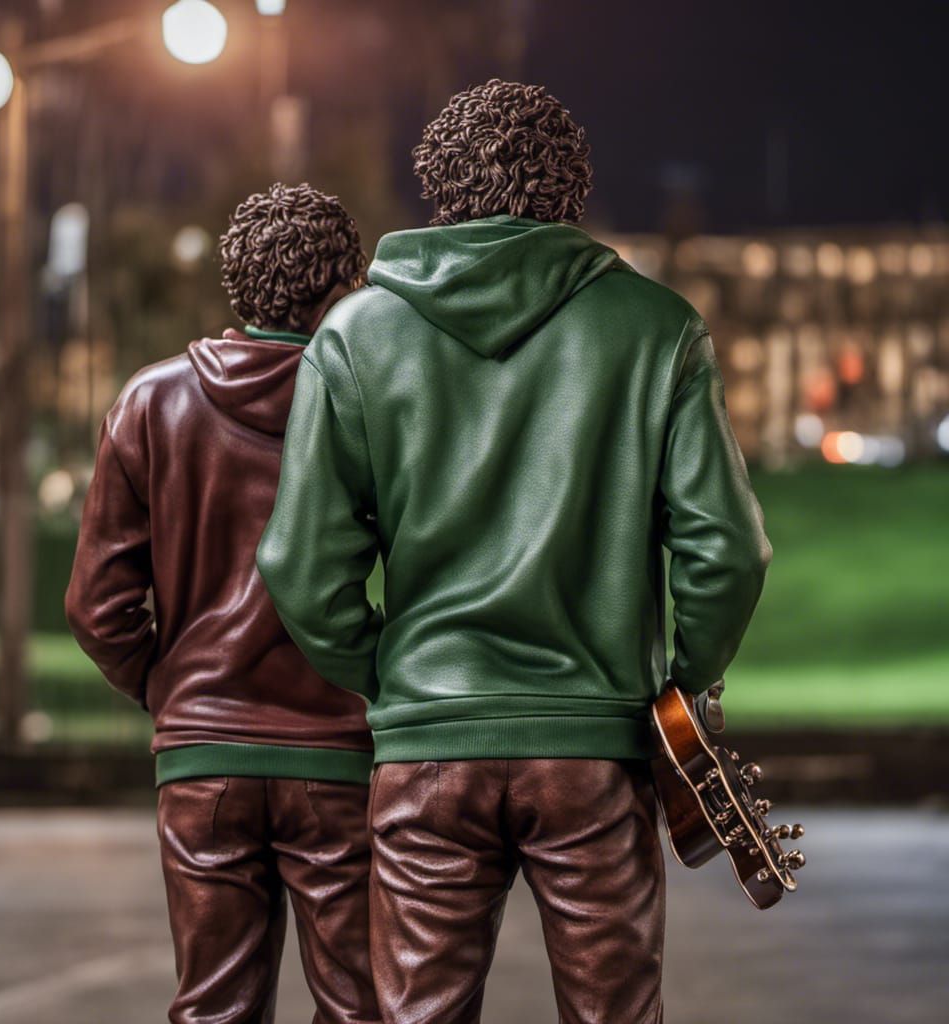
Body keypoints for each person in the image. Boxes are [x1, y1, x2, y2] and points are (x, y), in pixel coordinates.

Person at [259, 80, 772, 1024]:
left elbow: (299, 569)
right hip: (596, 751)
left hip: (427, 752)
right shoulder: (658, 328)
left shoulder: (353, 335)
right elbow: (728, 553)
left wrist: (393, 675)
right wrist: (680, 686)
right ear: (569, 189)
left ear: (440, 187)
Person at [65, 183, 380, 1024]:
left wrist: (169, 687)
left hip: (202, 754)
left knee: (214, 1008)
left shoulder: (148, 401)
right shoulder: (367, 405)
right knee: (363, 1007)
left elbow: (98, 608)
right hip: (340, 753)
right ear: (344, 287)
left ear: (234, 282)